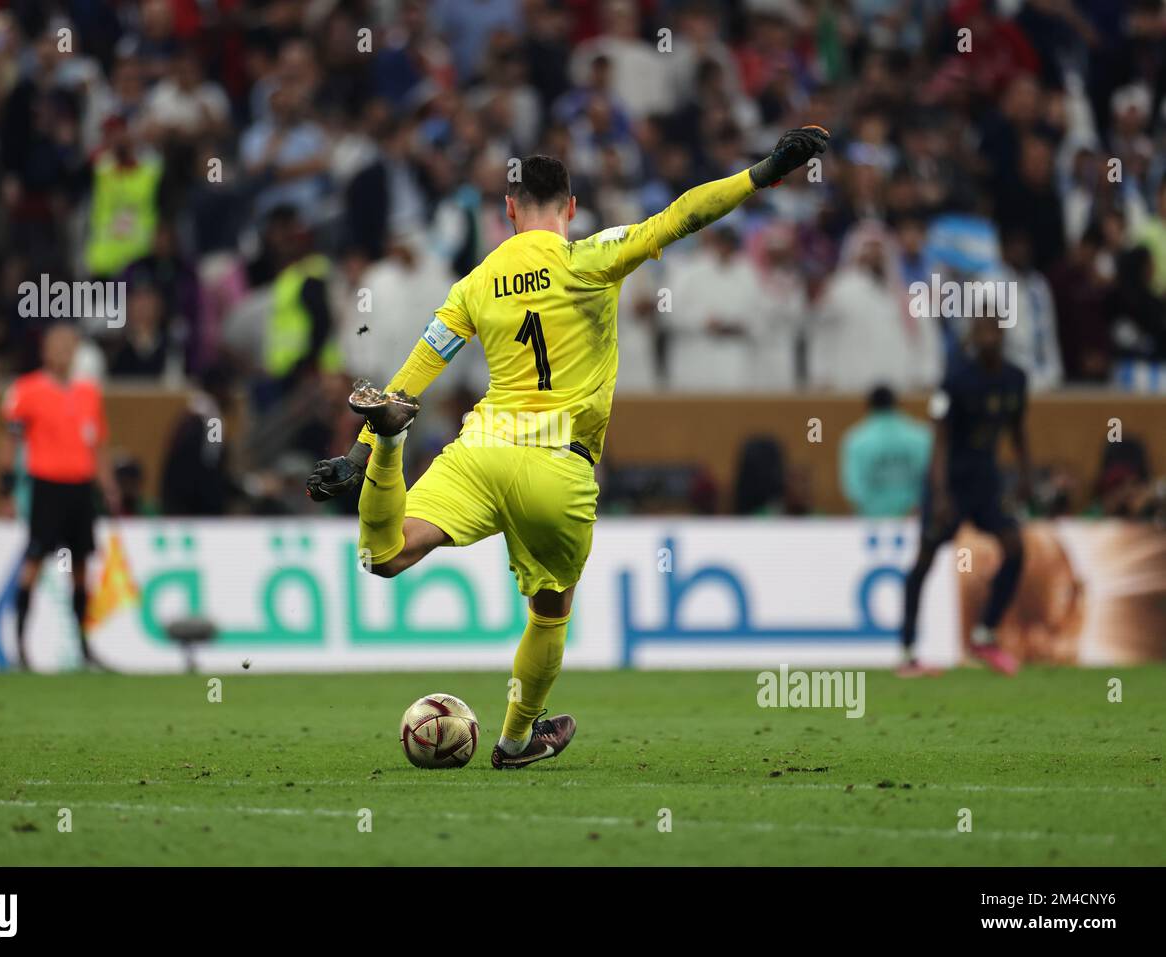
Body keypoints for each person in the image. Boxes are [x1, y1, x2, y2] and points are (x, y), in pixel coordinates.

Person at [307, 127, 830, 767]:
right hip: (557, 464)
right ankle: (515, 740)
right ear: (571, 207)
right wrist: (765, 171)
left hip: (482, 447)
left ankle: (392, 447)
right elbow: (684, 214)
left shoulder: (473, 282)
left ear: (507, 209)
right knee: (550, 613)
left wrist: (360, 452)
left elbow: (420, 368)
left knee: (385, 555)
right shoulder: (591, 257)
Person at [900, 320, 1031, 677]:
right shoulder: (956, 379)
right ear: (973, 337)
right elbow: (939, 436)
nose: (990, 337)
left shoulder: (1015, 378)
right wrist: (940, 493)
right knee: (925, 559)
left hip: (986, 480)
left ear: (1003, 334)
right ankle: (908, 649)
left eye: (995, 329)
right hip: (950, 483)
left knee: (1015, 547)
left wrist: (1025, 473)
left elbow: (1017, 429)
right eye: (983, 330)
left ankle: (985, 634)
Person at [0, 322, 121, 670]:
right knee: (34, 562)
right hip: (47, 487)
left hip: (81, 489)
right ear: (45, 350)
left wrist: (107, 485)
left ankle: (82, 644)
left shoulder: (89, 393)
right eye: (58, 345)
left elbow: (99, 444)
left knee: (81, 567)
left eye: (71, 345)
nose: (65, 352)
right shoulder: (26, 391)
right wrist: (6, 490)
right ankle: (20, 646)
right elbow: (9, 441)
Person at [840, 386, 932, 518]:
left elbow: (854, 487)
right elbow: (930, 478)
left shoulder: (856, 440)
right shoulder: (921, 435)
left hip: (873, 518)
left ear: (868, 406)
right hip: (913, 516)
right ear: (897, 404)